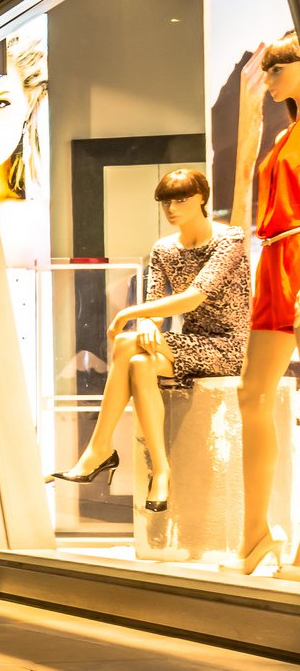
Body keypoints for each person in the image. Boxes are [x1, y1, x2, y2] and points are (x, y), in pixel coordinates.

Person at [47, 170, 248, 513]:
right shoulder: (164, 249)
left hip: (228, 347)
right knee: (138, 361)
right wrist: (148, 324)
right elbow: (156, 303)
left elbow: (193, 298)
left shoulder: (229, 241)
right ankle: (161, 470)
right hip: (189, 344)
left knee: (126, 344)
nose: (172, 208)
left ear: (202, 197)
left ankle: (99, 451)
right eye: (166, 201)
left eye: (181, 199)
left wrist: (131, 315)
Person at [230, 33, 300, 575]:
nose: (269, 75)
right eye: (267, 66)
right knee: (252, 394)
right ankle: (256, 535)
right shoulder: (282, 138)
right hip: (275, 261)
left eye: (280, 65)